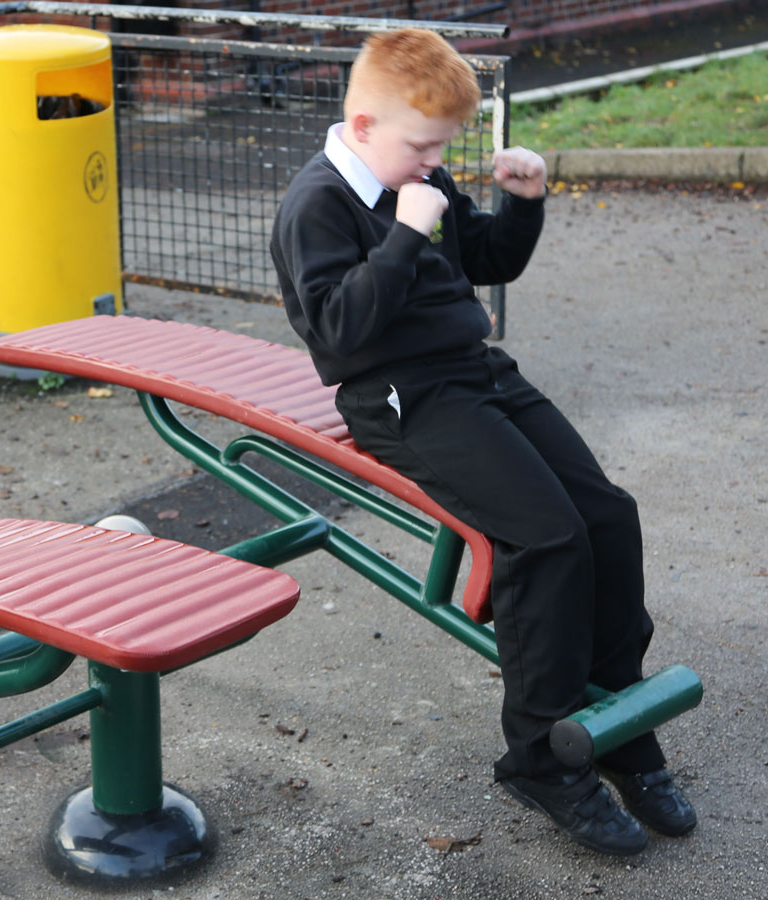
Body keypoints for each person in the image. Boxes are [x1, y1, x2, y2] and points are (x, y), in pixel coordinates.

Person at [270, 28, 696, 856]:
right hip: (395, 394)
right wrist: (402, 234)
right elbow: (338, 331)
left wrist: (523, 201)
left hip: (472, 371)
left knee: (608, 516)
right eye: (421, 145)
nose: (434, 161)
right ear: (362, 125)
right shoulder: (316, 202)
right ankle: (542, 754)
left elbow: (488, 260)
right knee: (545, 537)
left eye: (441, 148)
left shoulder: (416, 175)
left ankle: (617, 718)